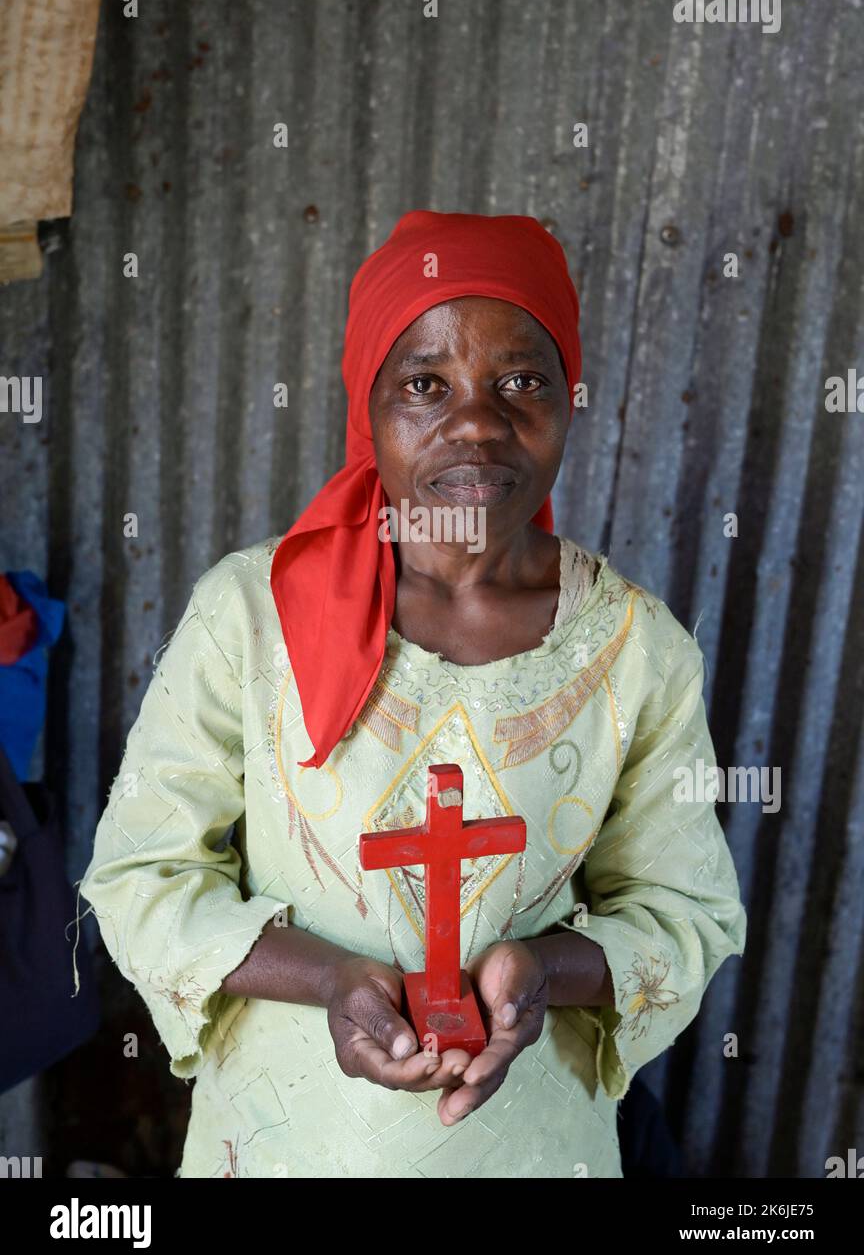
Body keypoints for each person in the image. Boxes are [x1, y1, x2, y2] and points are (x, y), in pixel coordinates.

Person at [77, 210, 746, 1178]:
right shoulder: (251, 616)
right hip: (282, 1140)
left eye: (521, 380)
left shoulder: (639, 649)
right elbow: (142, 874)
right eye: (425, 383)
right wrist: (330, 979)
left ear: (570, 400)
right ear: (369, 406)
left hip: (527, 1146)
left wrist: (538, 975)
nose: (477, 420)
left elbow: (684, 911)